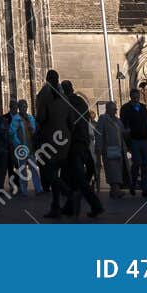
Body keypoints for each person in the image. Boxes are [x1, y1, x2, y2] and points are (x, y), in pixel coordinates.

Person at [60, 89, 104, 219]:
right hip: (83, 144)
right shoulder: (81, 102)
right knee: (73, 179)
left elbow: (66, 125)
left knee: (78, 179)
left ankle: (96, 205)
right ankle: (69, 207)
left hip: (74, 145)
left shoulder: (66, 103)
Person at [34, 70, 72, 216]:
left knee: (50, 172)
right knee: (56, 171)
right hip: (64, 139)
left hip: (50, 139)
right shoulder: (64, 96)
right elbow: (71, 119)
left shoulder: (45, 94)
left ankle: (68, 194)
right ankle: (56, 206)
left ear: (47, 79)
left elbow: (41, 117)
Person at [120, 89, 147, 198]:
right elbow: (123, 126)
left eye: (137, 96)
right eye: (134, 96)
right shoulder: (125, 108)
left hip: (144, 139)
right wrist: (127, 142)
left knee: (145, 164)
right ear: (131, 96)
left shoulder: (143, 107)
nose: (136, 98)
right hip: (134, 140)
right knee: (137, 163)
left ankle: (145, 189)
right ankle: (133, 184)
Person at [95, 100, 129, 198]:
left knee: (118, 169)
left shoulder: (118, 120)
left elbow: (122, 131)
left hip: (119, 148)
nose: (115, 111)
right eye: (113, 109)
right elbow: (99, 134)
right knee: (112, 169)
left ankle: (115, 190)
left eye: (115, 109)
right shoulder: (103, 118)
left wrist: (127, 132)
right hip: (109, 148)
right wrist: (99, 148)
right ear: (108, 109)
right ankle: (115, 190)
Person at [10, 99, 37, 193]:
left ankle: (38, 188)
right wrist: (17, 143)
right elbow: (11, 132)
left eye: (25, 107)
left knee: (34, 168)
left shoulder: (30, 118)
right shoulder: (16, 118)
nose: (24, 109)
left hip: (30, 146)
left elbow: (34, 130)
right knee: (23, 170)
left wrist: (32, 128)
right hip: (21, 147)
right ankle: (24, 189)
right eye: (22, 107)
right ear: (19, 108)